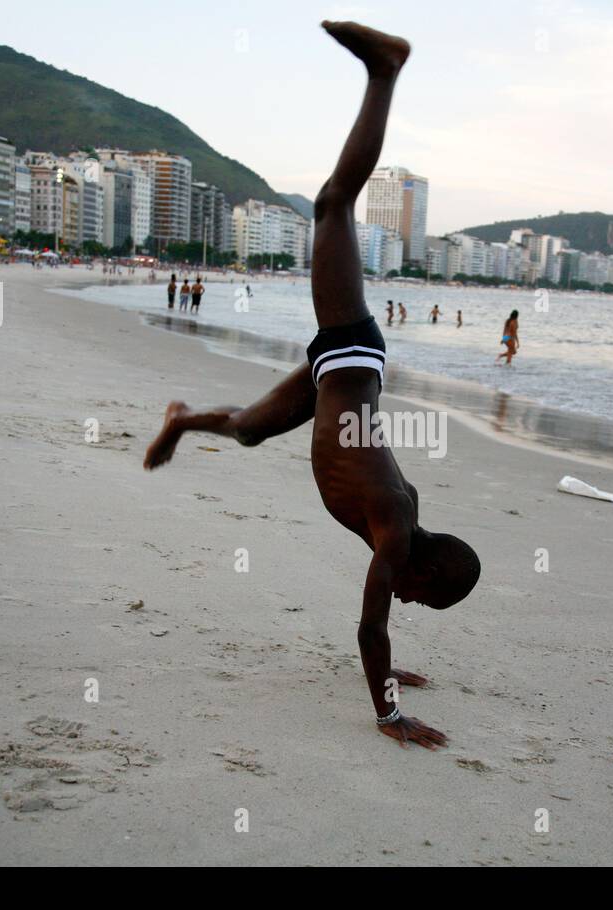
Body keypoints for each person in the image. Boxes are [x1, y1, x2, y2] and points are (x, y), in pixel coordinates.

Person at [143, 20, 477, 749]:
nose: (410, 602)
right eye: (424, 598)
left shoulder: (403, 524)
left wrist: (398, 668)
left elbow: (385, 628)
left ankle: (180, 418)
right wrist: (388, 711)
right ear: (422, 572)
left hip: (342, 380)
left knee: (251, 428)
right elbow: (370, 628)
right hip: (351, 353)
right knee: (331, 204)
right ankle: (385, 72)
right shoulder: (393, 534)